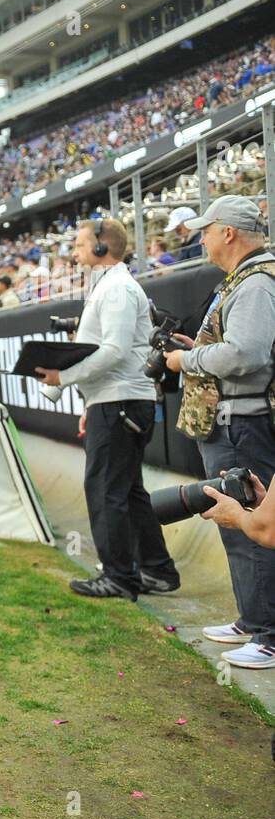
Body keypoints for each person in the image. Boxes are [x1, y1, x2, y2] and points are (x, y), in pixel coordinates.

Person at [35, 218, 179, 601]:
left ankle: (118, 576)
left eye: (81, 244)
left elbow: (114, 352)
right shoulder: (109, 285)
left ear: (102, 248)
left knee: (104, 490)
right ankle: (157, 570)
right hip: (116, 401)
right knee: (128, 491)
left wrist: (63, 379)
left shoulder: (115, 288)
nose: (75, 251)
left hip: (119, 402)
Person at [164, 195, 275, 668]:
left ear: (228, 232)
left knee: (257, 524)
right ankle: (253, 620)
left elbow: (247, 355)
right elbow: (233, 349)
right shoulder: (243, 280)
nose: (202, 239)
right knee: (234, 521)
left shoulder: (256, 283)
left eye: (206, 230)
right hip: (231, 419)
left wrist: (188, 358)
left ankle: (269, 634)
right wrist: (202, 346)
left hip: (246, 421)